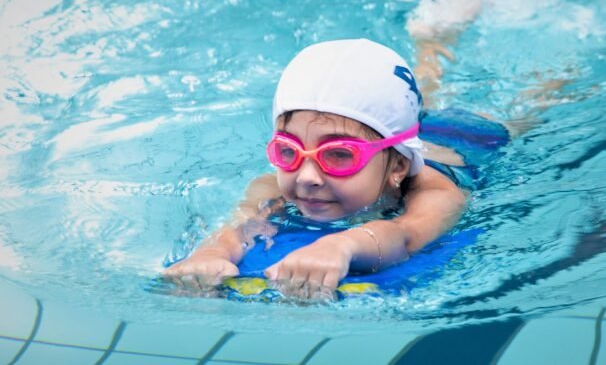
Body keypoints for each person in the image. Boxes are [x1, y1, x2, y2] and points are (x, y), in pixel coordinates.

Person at [163, 37, 470, 300]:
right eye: (288, 150)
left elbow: (403, 236)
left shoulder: (438, 194)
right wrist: (210, 255)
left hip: (469, 137)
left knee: (512, 116)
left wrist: (340, 244)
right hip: (390, 131)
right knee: (418, 98)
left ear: (400, 166)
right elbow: (237, 230)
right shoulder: (271, 189)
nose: (307, 176)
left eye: (338, 154)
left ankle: (433, 42)